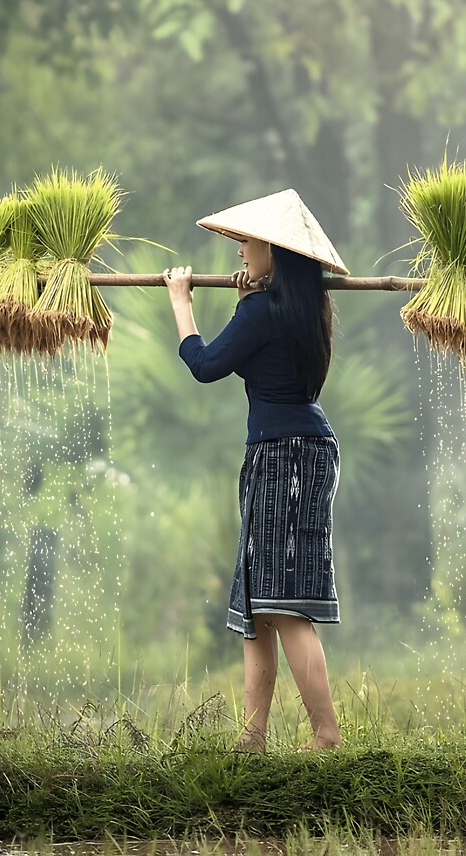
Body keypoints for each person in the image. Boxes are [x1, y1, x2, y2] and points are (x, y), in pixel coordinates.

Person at [162, 188, 349, 753]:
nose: (240, 250)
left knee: (280, 603)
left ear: (273, 249)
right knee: (259, 602)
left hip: (284, 457)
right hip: (299, 451)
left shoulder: (262, 311)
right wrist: (252, 298)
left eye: (247, 241)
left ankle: (326, 735)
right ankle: (253, 737)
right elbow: (261, 345)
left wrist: (181, 301)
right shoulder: (303, 309)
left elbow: (205, 364)